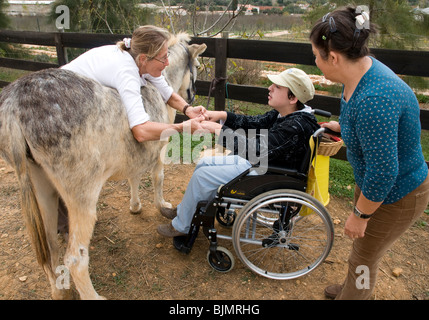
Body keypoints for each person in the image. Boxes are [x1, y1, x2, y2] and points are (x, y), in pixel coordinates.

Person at [310, 6, 429, 300]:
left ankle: (355, 295)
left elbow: (384, 172)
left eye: (316, 56)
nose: (316, 62)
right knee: (362, 252)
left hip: (395, 193)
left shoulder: (375, 100)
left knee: (363, 258)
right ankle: (353, 288)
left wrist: (360, 215)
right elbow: (369, 129)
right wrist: (343, 125)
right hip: (378, 188)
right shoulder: (361, 71)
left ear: (334, 57)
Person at [157, 68, 319, 237]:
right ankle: (185, 211)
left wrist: (219, 130)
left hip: (271, 174)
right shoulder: (287, 114)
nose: (270, 88)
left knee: (202, 176)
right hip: (266, 166)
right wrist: (221, 115)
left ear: (292, 98)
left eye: (277, 87)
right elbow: (255, 122)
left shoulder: (295, 126)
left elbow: (255, 150)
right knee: (204, 163)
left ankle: (181, 226)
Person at [61, 25, 206, 142]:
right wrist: (182, 127)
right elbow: (141, 131)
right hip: (64, 96)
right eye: (163, 58)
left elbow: (168, 94)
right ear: (144, 58)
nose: (167, 63)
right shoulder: (126, 72)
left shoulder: (141, 60)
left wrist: (188, 109)